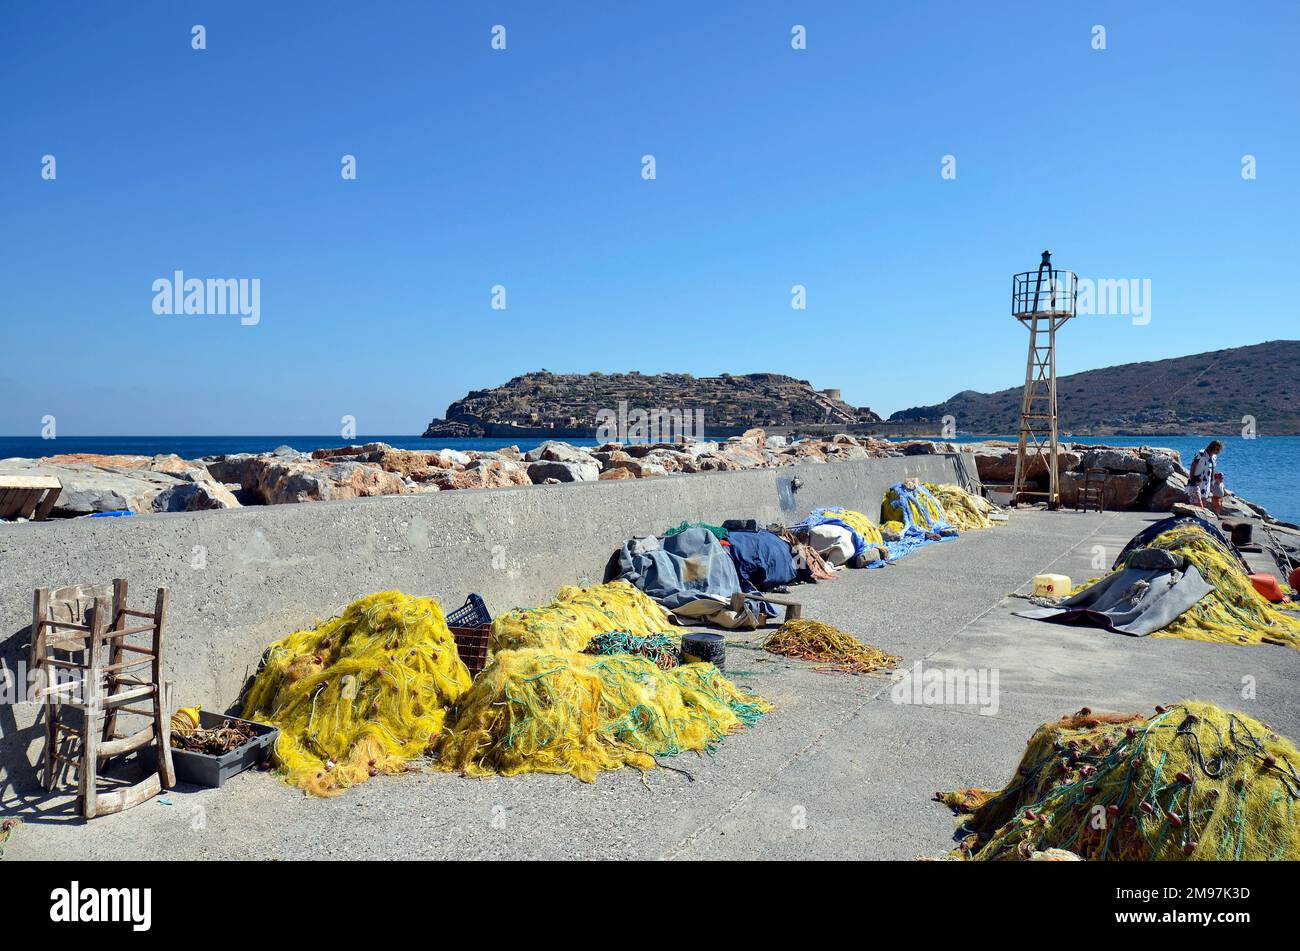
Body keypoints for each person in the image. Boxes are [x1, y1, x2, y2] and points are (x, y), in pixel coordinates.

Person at [1187, 440, 1223, 508]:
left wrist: (1213, 481)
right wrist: (1191, 478)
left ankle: (1201, 514)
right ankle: (1196, 513)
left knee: (1204, 498)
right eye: (1217, 449)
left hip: (1207, 480)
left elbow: (1212, 468)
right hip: (1197, 478)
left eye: (1219, 449)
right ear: (1212, 447)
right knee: (1196, 498)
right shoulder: (1201, 453)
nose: (1218, 451)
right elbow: (1193, 465)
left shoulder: (1214, 457)